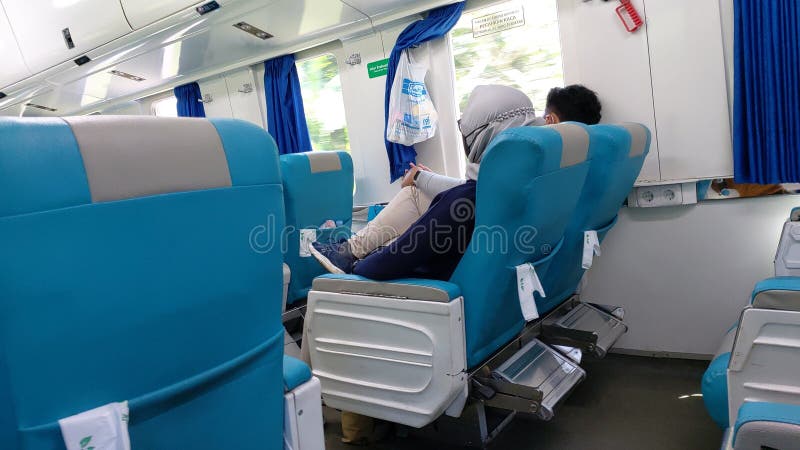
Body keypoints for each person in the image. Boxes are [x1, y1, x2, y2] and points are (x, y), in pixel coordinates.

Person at [310, 84, 602, 280]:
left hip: (466, 257)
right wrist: (423, 178)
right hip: (508, 252)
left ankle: (351, 253)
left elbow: (472, 195)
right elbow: (478, 190)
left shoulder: (486, 184)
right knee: (419, 198)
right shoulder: (567, 166)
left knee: (416, 205)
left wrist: (364, 267)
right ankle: (353, 250)